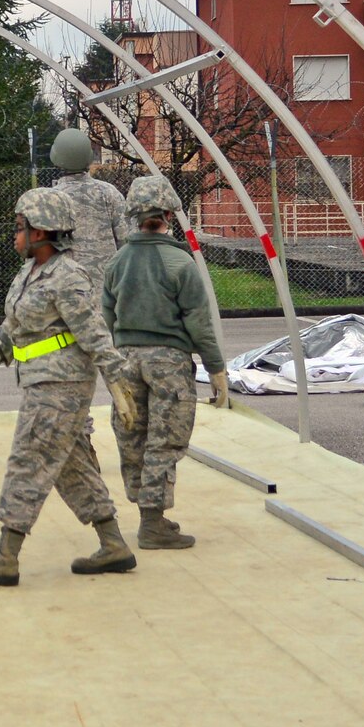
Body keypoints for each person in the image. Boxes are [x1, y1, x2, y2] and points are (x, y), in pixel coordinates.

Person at [0, 188, 141, 586]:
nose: (14, 235)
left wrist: (118, 383)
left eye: (20, 227)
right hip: (41, 378)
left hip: (61, 385)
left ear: (41, 233)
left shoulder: (68, 276)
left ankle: (5, 555)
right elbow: (14, 327)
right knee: (70, 465)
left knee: (29, 459)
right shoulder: (30, 273)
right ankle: (113, 545)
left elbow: (94, 335)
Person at [99, 175, 232, 550]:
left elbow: (105, 316)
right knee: (165, 439)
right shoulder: (180, 263)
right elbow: (199, 322)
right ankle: (153, 523)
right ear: (168, 214)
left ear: (134, 215)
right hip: (169, 364)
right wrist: (216, 368)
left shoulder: (117, 262)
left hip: (125, 360)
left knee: (132, 436)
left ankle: (147, 514)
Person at [48, 128, 132, 272]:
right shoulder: (109, 193)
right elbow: (125, 241)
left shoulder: (49, 199)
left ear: (55, 156)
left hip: (66, 287)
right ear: (89, 156)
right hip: (106, 288)